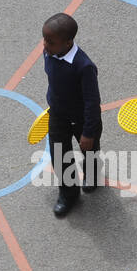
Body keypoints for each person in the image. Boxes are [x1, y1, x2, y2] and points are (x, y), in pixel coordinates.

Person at [41, 12, 102, 217]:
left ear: (68, 43)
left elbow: (93, 102)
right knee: (59, 155)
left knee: (90, 151)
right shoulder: (48, 52)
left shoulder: (84, 67)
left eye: (50, 41)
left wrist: (88, 132)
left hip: (84, 119)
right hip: (58, 115)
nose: (45, 45)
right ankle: (69, 194)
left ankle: (92, 176)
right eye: (45, 39)